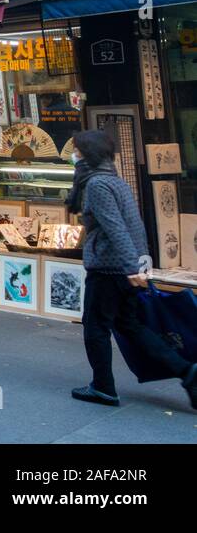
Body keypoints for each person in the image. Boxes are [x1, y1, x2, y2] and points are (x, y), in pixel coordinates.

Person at [67, 129, 197, 409]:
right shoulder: (113, 180)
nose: (73, 154)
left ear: (86, 153)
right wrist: (140, 262)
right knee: (129, 325)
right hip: (123, 267)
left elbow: (116, 229)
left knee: (95, 326)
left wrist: (131, 267)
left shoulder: (98, 185)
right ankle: (188, 373)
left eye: (76, 150)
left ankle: (102, 387)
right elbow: (134, 224)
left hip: (109, 268)